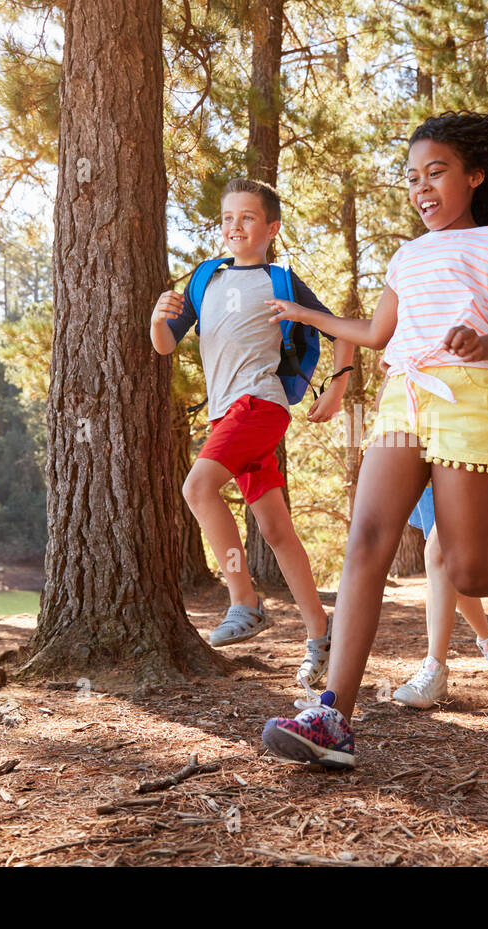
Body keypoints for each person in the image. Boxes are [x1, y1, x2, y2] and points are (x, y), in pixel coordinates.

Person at [259, 111, 488, 768]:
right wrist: (309, 314)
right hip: (404, 397)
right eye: (411, 178)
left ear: (473, 175)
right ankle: (333, 716)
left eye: (435, 172)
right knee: (367, 542)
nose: (421, 187)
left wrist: (481, 342)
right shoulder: (406, 254)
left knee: (465, 567)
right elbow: (379, 332)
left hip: (470, 400)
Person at [149, 178, 355, 685]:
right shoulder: (206, 279)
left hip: (259, 405)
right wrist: (158, 318)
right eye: (227, 218)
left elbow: (343, 331)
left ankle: (243, 601)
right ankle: (320, 634)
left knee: (197, 487)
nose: (235, 227)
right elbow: (163, 346)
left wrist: (337, 389)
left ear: (271, 228)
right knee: (275, 529)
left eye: (247, 218)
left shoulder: (282, 279)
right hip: (227, 415)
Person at [393, 352, 488, 709]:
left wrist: (457, 368)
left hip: (469, 436)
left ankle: (434, 669)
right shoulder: (421, 304)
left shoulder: (486, 304)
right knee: (449, 565)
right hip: (419, 432)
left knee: (440, 553)